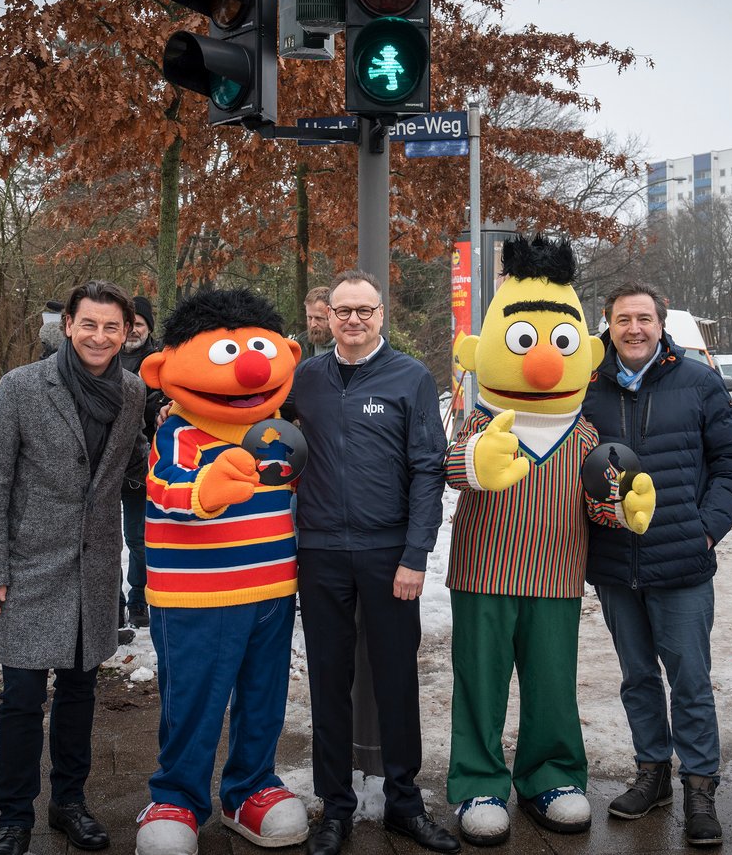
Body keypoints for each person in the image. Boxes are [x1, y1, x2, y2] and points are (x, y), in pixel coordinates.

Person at [444, 235, 656, 847]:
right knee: (479, 682)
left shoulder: (586, 434)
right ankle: (478, 781)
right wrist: (475, 463)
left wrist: (624, 509)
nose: (541, 360)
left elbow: (600, 500)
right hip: (482, 574)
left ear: (584, 354)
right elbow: (450, 466)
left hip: (558, 577)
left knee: (551, 684)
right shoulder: (481, 422)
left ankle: (551, 775)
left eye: (559, 344)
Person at [0, 281, 147, 855]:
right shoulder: (21, 386)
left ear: (127, 333)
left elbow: (130, 469)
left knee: (80, 692)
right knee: (21, 696)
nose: (100, 336)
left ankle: (69, 803)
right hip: (29, 567)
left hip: (94, 568)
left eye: (112, 327)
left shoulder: (133, 392)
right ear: (68, 325)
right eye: (90, 324)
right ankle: (13, 819)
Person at [287, 270, 458, 855]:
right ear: (325, 316)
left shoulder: (410, 377)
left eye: (364, 310)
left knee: (394, 680)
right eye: (342, 311)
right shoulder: (304, 379)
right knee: (329, 683)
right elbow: (253, 429)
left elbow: (428, 473)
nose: (353, 320)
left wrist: (416, 555)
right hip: (319, 553)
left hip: (390, 557)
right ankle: (335, 808)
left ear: (381, 314)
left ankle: (403, 804)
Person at [133, 289, 309, 855]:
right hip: (197, 596)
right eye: (224, 354)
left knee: (264, 696)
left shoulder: (281, 429)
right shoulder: (179, 430)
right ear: (163, 371)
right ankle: (177, 796)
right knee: (193, 700)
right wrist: (203, 492)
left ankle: (250, 789)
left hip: (273, 589)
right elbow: (161, 488)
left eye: (260, 351)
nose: (250, 368)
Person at [582, 280, 732, 848]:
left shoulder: (699, 382)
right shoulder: (588, 386)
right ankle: (652, 773)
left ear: (661, 324)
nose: (633, 329)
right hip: (614, 563)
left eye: (643, 319)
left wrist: (706, 530)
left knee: (691, 681)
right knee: (637, 679)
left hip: (681, 561)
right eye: (622, 320)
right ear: (608, 325)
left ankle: (700, 786)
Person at [117, 295, 164, 629]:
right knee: (103, 540)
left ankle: (137, 600)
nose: (133, 331)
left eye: (140, 325)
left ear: (148, 328)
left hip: (140, 465)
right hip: (102, 466)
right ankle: (111, 602)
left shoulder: (159, 364)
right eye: (129, 325)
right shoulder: (103, 358)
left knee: (138, 538)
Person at [292, 285, 335, 360]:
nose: (313, 324)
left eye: (318, 318)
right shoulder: (300, 344)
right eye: (309, 318)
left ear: (331, 316)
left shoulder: (348, 345)